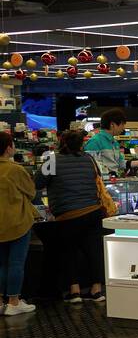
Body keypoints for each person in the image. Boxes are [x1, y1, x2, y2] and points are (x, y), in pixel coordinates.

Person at [35, 129, 107, 303]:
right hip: (92, 211)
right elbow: (98, 178)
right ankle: (97, 290)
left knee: (69, 252)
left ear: (61, 142)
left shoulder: (51, 160)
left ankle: (74, 291)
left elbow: (37, 183)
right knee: (94, 251)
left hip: (68, 214)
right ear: (81, 144)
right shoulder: (89, 159)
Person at [0, 131, 38, 315]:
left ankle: (0, 302)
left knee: (1, 264)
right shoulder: (15, 170)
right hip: (17, 223)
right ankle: (14, 302)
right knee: (15, 263)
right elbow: (31, 192)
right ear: (8, 148)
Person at [85, 107, 138, 178]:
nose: (123, 128)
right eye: (122, 124)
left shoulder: (114, 143)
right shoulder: (94, 142)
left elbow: (121, 163)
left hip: (113, 182)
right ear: (112, 125)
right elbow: (90, 167)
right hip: (102, 184)